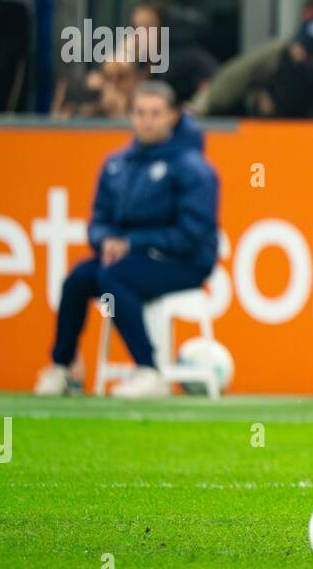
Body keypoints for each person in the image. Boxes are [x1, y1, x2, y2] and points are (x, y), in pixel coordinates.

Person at [35, 82, 219, 399]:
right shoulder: (117, 164)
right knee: (78, 279)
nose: (147, 121)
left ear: (173, 117)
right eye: (140, 113)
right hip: (127, 260)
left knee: (112, 277)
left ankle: (149, 370)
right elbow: (99, 219)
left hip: (183, 263)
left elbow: (193, 233)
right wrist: (105, 240)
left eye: (155, 114)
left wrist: (132, 244)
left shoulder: (194, 168)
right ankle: (62, 368)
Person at [191, 6, 313, 117]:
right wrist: (203, 103)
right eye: (303, 47)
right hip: (272, 127)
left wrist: (302, 72)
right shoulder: (284, 51)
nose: (303, 54)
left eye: (311, 52)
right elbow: (238, 73)